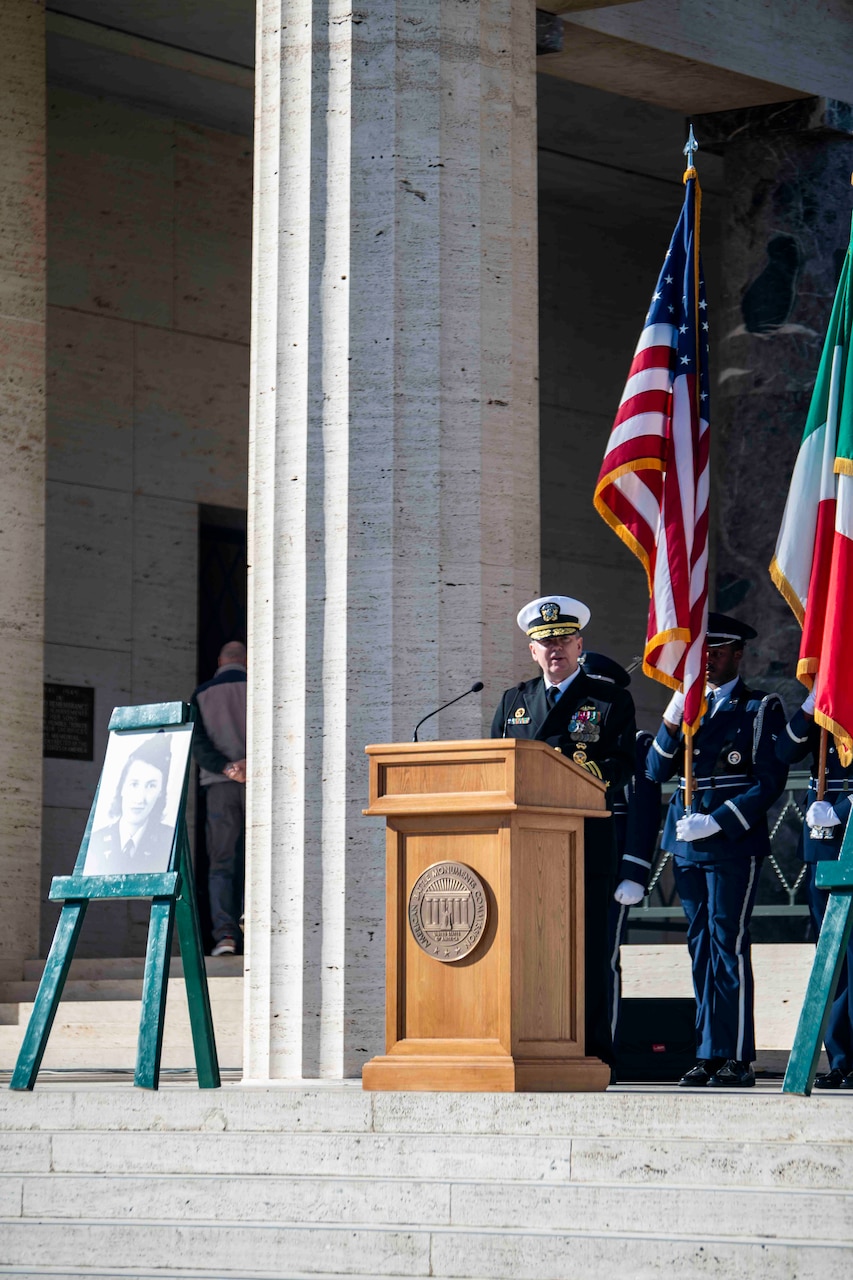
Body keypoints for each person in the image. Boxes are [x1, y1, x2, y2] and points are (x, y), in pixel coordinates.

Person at [490, 596, 636, 1070]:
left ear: (580, 645)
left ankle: (594, 1054)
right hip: (525, 845)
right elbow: (494, 764)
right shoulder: (514, 700)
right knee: (528, 947)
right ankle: (532, 1046)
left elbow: (623, 764)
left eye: (563, 641)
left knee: (589, 950)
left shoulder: (608, 698)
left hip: (584, 839)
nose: (554, 650)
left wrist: (580, 772)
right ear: (532, 651)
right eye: (544, 643)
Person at [647, 612, 788, 1088]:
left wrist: (719, 819)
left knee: (728, 943)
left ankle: (736, 1056)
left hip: (730, 843)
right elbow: (654, 770)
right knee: (700, 946)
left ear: (737, 654)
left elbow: (768, 783)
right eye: (701, 652)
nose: (707, 660)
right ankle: (708, 1051)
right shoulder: (688, 707)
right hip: (687, 844)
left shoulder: (759, 708)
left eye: (717, 651)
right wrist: (671, 712)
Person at [777, 688, 853, 1088]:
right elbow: (785, 754)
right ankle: (841, 1058)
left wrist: (842, 810)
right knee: (832, 960)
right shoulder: (828, 699)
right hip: (823, 844)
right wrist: (809, 707)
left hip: (847, 830)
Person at [191, 640, 247, 957]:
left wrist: (227, 768)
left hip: (219, 786)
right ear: (247, 661)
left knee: (221, 864)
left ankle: (224, 936)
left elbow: (198, 745)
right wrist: (248, 765)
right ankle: (254, 922)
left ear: (219, 661)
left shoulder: (201, 694)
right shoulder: (260, 687)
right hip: (261, 783)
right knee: (263, 859)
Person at [84, 732, 175, 875]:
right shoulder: (97, 841)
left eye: (151, 786)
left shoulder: (169, 840)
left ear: (160, 793)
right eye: (134, 784)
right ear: (122, 787)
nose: (140, 798)